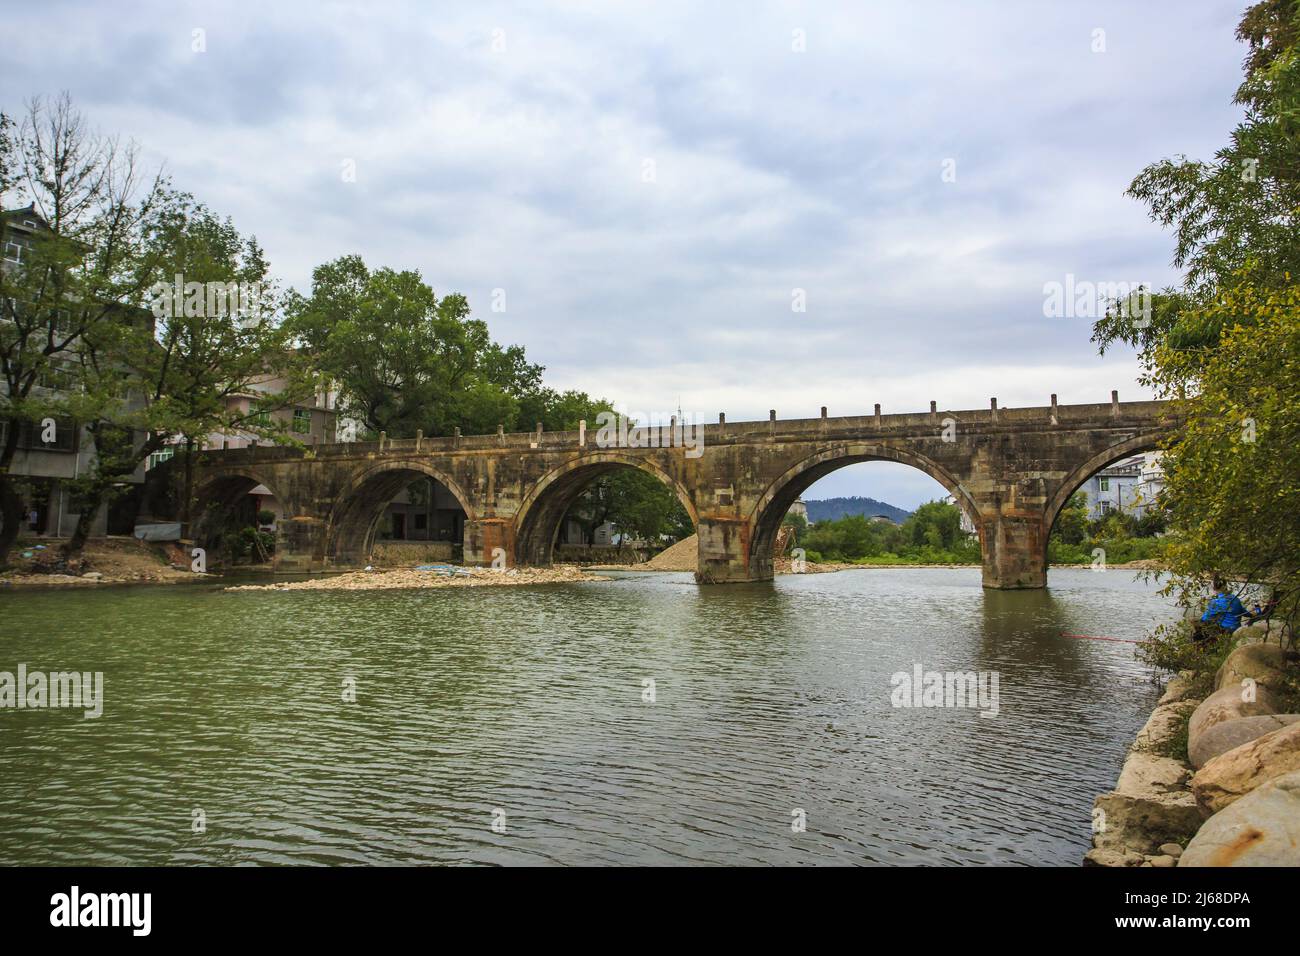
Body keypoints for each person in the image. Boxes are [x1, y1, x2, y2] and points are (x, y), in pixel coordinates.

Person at [1196, 577, 1246, 643]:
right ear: (1226, 586)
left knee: (1200, 624)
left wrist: (1199, 622)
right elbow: (1242, 610)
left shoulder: (1216, 602)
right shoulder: (1235, 598)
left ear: (1214, 589)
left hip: (1227, 631)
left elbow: (1205, 618)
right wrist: (1252, 614)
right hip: (1237, 627)